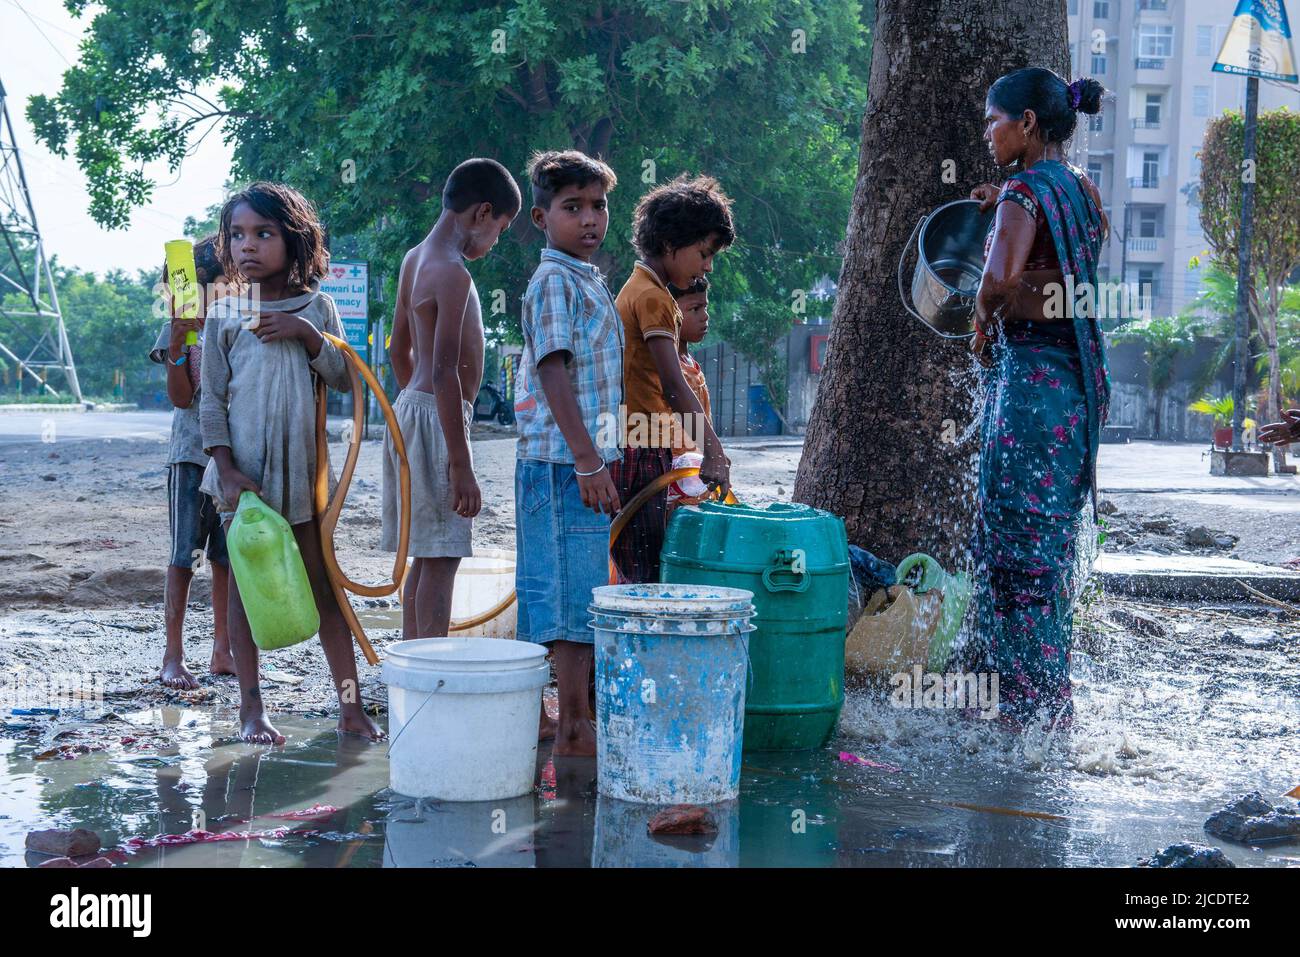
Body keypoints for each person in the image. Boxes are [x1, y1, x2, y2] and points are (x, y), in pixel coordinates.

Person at [199, 181, 381, 744]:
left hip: (302, 478)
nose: (247, 245)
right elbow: (211, 400)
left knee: (325, 592)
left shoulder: (317, 306)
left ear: (293, 240)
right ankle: (251, 710)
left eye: (263, 233)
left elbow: (347, 380)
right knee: (249, 595)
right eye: (237, 235)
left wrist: (306, 335)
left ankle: (350, 708)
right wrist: (226, 470)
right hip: (244, 483)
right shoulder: (224, 313)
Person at [966, 68, 1109, 728]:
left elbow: (1000, 280)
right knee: (1047, 555)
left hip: (1029, 390)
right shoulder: (1079, 189)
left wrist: (979, 316)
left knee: (1012, 552)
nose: (988, 133)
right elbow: (1068, 271)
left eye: (995, 120)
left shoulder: (1025, 189)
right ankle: (1055, 696)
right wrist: (1006, 202)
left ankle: (1019, 709)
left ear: (1027, 123)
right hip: (1076, 389)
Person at [382, 158, 521, 639]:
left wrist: (414, 409)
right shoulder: (453, 273)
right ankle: (431, 671)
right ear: (483, 213)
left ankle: (412, 664)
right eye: (500, 229)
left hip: (412, 413)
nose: (496, 240)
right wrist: (459, 462)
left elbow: (399, 350)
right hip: (438, 417)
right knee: (442, 559)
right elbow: (443, 372)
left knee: (427, 553)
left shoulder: (414, 257)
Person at [514, 149, 623, 756]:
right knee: (565, 599)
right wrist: (588, 461)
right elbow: (553, 373)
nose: (589, 219)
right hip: (562, 464)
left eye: (598, 206)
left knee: (566, 589)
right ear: (541, 217)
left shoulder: (585, 278)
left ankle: (557, 719)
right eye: (572, 207)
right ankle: (575, 724)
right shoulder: (555, 280)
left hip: (577, 460)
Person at [611, 175, 734, 584]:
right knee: (644, 571)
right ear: (669, 244)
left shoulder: (641, 289)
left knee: (639, 562)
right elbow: (673, 383)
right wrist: (713, 451)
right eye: (703, 252)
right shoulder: (653, 298)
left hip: (639, 440)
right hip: (640, 443)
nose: (708, 265)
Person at [148, 236, 234, 689]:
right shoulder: (176, 330)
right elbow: (182, 398)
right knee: (185, 556)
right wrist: (182, 338)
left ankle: (222, 650)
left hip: (234, 456)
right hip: (191, 456)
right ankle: (173, 655)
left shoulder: (239, 323)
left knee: (225, 557)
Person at [666, 277, 713, 510]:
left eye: (705, 307)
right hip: (675, 480)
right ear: (670, 312)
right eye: (694, 309)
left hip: (696, 476)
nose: (704, 316)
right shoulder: (670, 368)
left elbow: (703, 421)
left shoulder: (691, 364)